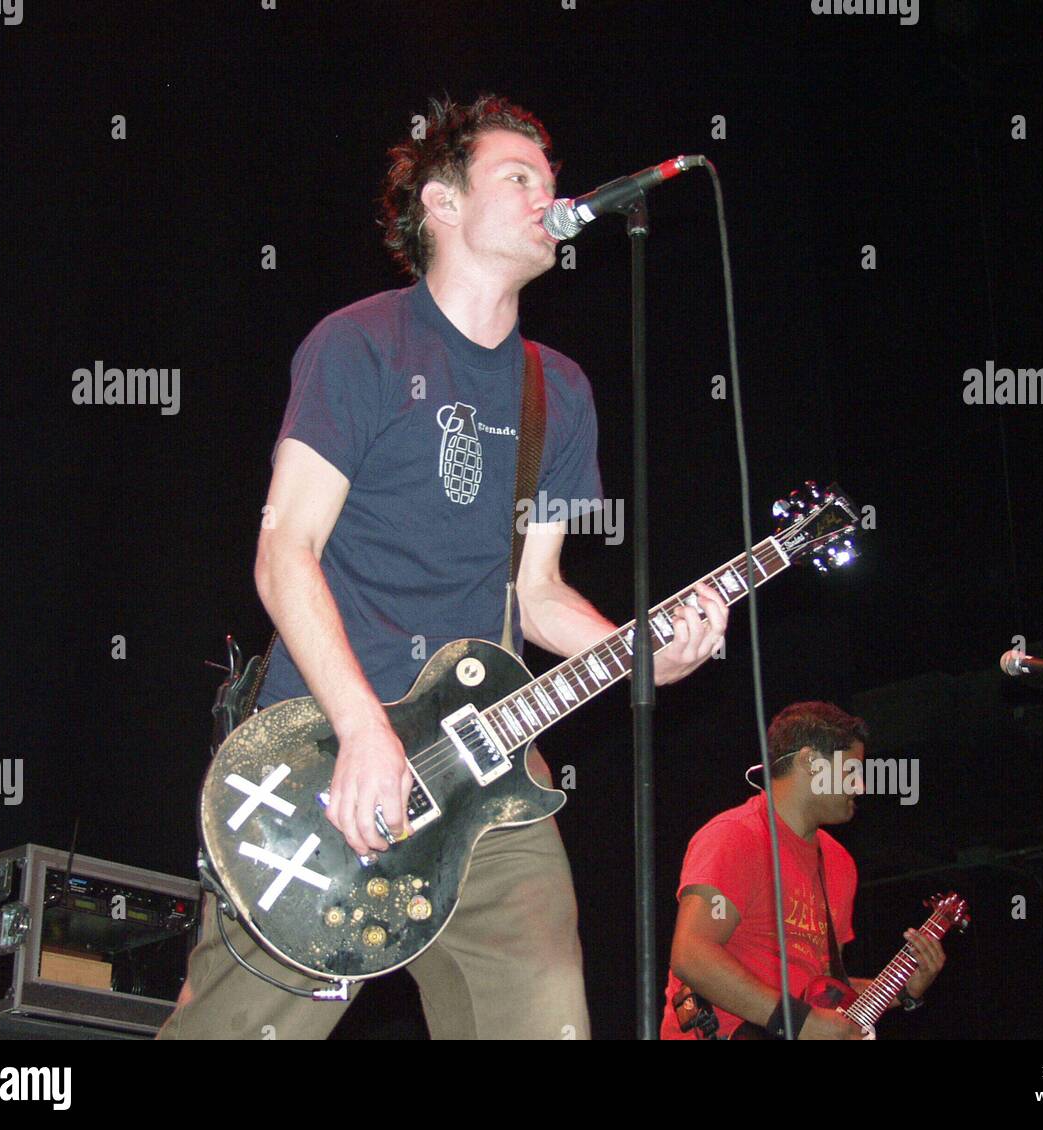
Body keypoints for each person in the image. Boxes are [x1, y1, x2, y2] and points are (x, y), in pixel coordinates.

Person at [159, 94, 728, 1040]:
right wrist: (363, 730)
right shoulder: (360, 344)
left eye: (553, 180)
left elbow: (537, 595)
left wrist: (645, 655)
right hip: (328, 764)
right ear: (443, 203)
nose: (552, 195)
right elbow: (283, 551)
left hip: (490, 783)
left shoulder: (562, 391)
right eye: (521, 178)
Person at [661, 701, 944, 1039]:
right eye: (851, 771)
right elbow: (691, 955)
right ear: (810, 761)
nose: (861, 787)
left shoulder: (840, 863)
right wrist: (797, 1021)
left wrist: (902, 991)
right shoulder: (735, 836)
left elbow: (826, 990)